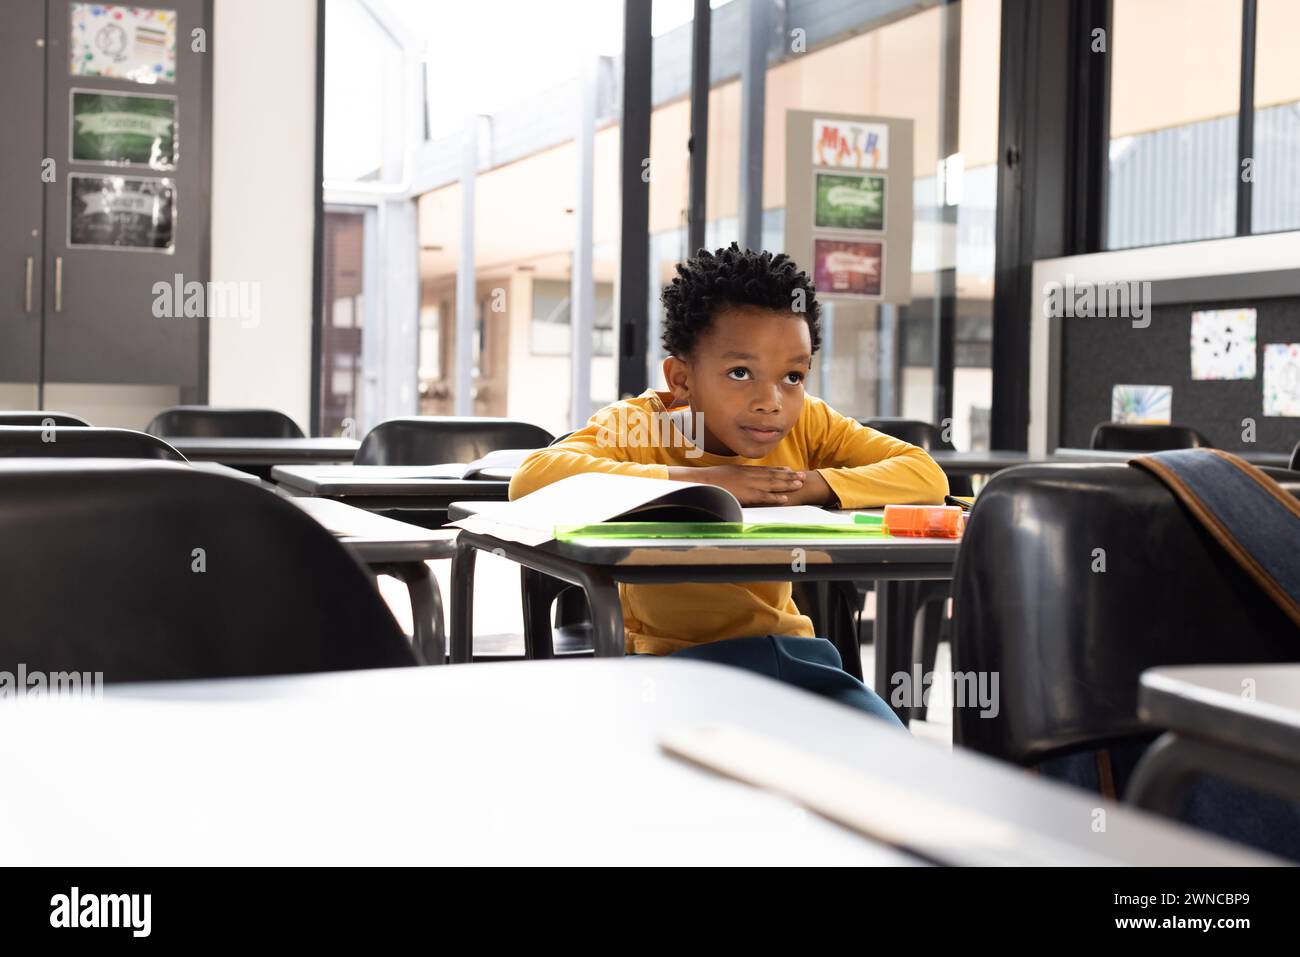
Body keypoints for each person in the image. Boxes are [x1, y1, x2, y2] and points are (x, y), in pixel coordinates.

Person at [511, 244, 948, 726]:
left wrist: (814, 486)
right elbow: (533, 478)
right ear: (681, 378)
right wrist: (707, 482)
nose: (771, 401)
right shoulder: (641, 426)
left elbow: (924, 474)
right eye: (740, 373)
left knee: (891, 763)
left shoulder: (808, 423)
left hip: (797, 663)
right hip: (669, 671)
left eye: (793, 376)